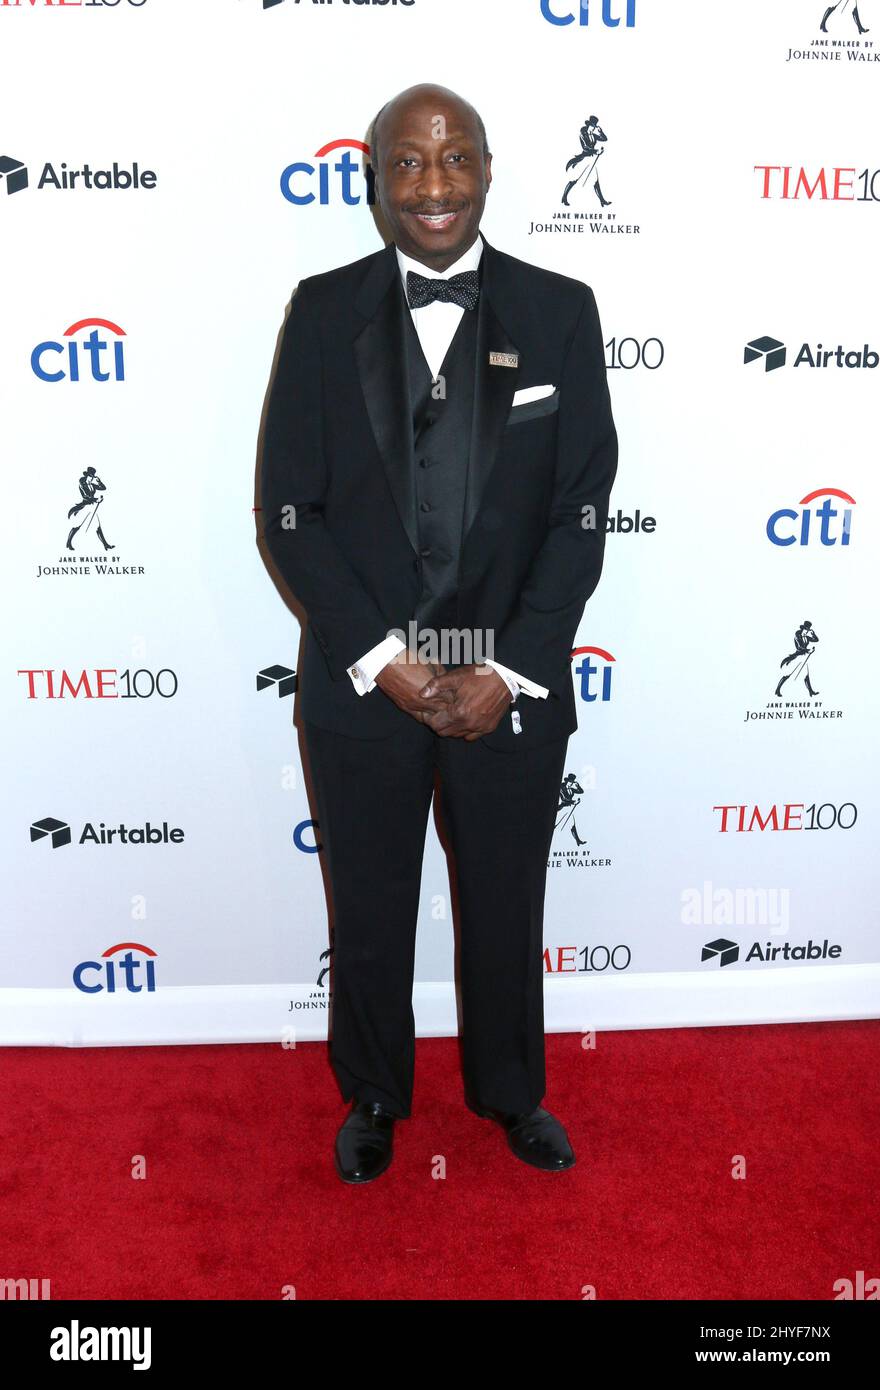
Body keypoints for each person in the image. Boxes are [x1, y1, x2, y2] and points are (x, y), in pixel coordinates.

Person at [260, 83, 618, 1184]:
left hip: (504, 681)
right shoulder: (321, 311)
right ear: (373, 178)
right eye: (407, 164)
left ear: (489, 169)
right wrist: (385, 661)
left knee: (506, 901)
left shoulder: (560, 309)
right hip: (366, 682)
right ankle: (372, 1090)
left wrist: (508, 669)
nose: (433, 186)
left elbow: (581, 508)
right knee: (366, 903)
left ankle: (511, 1093)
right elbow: (289, 509)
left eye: (453, 158)